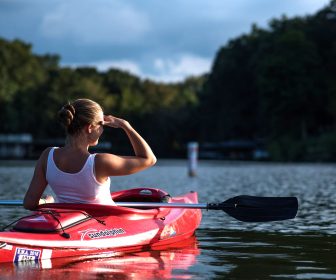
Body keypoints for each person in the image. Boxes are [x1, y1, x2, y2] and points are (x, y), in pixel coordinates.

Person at [23, 98, 157, 210]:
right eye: (101, 125)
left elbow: (29, 203)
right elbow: (149, 159)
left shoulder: (47, 156)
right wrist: (125, 125)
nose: (102, 130)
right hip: (103, 228)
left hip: (69, 224)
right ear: (90, 128)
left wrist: (47, 202)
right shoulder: (100, 162)